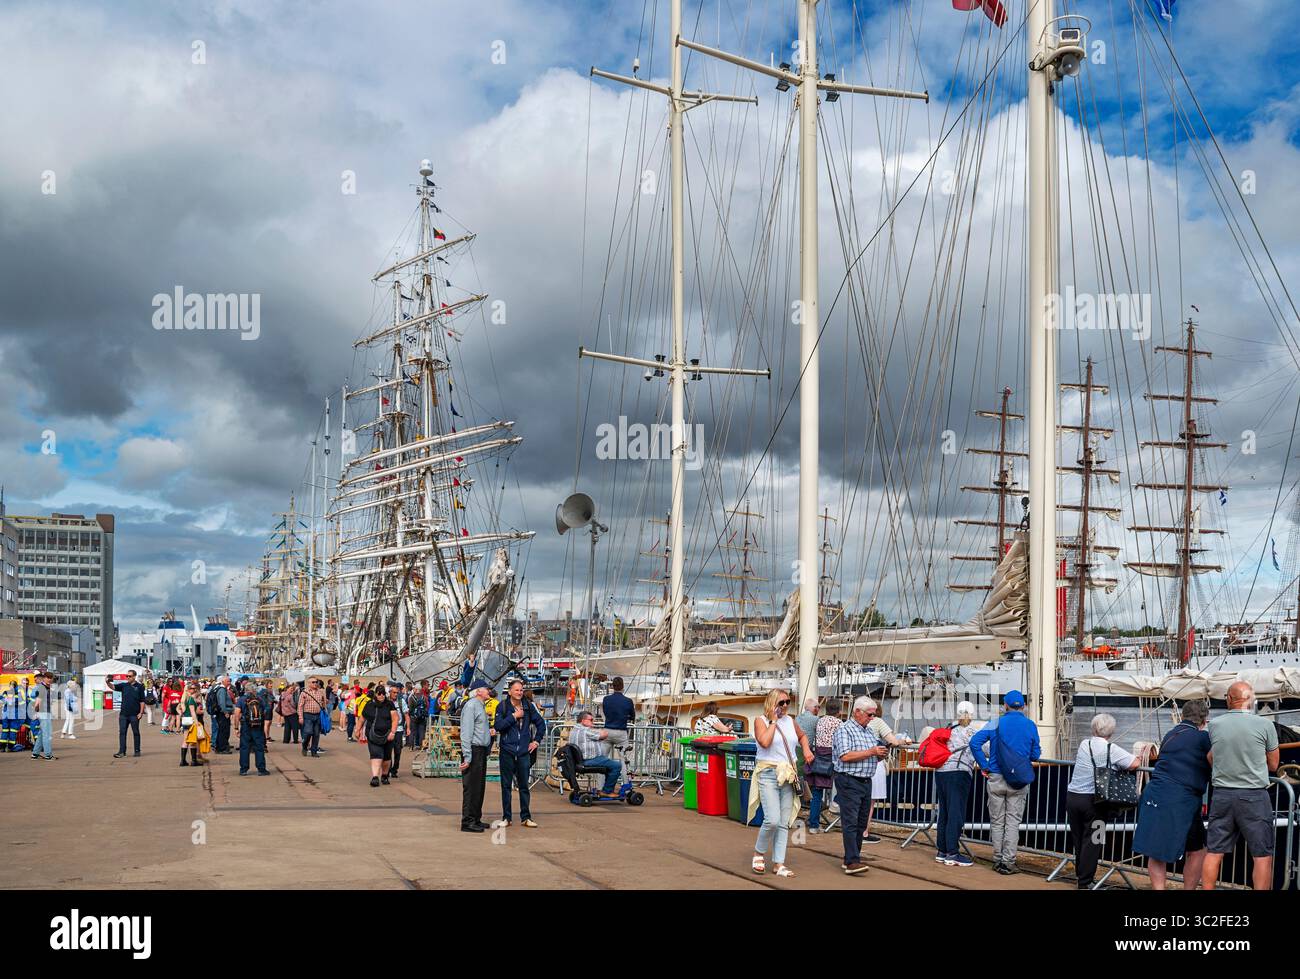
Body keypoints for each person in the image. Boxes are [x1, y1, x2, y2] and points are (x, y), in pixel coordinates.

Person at [1202, 681, 1280, 890]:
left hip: (1222, 795)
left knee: (1214, 851)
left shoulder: (1215, 725)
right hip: (1254, 795)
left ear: (1229, 698)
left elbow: (1212, 757)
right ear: (1250, 699)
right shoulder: (1265, 725)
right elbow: (1273, 765)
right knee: (1262, 855)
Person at [1133, 700, 1212, 890]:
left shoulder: (1171, 734)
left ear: (1183, 716)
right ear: (1204, 720)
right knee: (1197, 850)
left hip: (1155, 793)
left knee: (1156, 852)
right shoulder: (1203, 738)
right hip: (1181, 800)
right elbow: (1214, 760)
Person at [968, 689, 1041, 875]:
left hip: (996, 777)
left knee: (997, 821)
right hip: (1019, 781)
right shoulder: (1030, 725)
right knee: (1013, 822)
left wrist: (984, 765)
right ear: (1023, 706)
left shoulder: (996, 723)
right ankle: (1009, 861)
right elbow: (1035, 754)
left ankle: (998, 859)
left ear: (1005, 706)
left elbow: (974, 743)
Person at [1065, 712, 1141, 889]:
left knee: (1078, 839)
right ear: (1111, 732)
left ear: (1093, 728)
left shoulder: (1085, 744)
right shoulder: (1111, 749)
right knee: (1094, 840)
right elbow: (1134, 763)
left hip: (1073, 797)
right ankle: (1085, 882)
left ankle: (1081, 875)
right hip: (1095, 802)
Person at [749, 688, 813, 878]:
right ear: (772, 703)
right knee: (772, 820)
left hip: (789, 774)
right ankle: (758, 853)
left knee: (784, 822)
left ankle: (779, 863)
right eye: (781, 702)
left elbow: (802, 736)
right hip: (769, 773)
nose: (785, 706)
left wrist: (807, 750)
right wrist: (774, 721)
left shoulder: (791, 721)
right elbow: (765, 742)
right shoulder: (760, 721)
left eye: (788, 702)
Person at [832, 695, 890, 875]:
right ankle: (852, 860)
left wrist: (879, 755)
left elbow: (868, 753)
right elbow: (845, 756)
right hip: (849, 780)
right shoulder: (844, 730)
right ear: (857, 712)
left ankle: (852, 856)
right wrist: (872, 751)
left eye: (873, 715)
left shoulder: (869, 731)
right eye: (870, 715)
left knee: (861, 821)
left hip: (865, 780)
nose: (873, 718)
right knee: (850, 821)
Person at [494, 678, 546, 827]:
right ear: (510, 691)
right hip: (507, 751)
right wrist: (513, 717)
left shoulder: (528, 706)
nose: (519, 692)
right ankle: (507, 818)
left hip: (523, 752)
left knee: (524, 785)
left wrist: (536, 741)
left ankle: (526, 817)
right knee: (506, 785)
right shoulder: (502, 706)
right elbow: (498, 726)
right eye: (516, 690)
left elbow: (540, 724)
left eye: (521, 690)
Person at [934, 701, 979, 867]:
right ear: (972, 714)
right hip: (959, 773)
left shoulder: (948, 728)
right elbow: (984, 749)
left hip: (941, 772)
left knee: (944, 812)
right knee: (956, 813)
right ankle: (952, 853)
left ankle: (942, 850)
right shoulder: (971, 732)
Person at [459, 680, 492, 831]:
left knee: (479, 786)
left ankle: (476, 817)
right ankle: (467, 821)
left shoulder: (481, 705)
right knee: (471, 787)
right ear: (478, 691)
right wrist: (467, 756)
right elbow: (466, 732)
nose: (488, 690)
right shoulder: (471, 705)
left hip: (481, 749)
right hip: (473, 750)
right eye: (486, 688)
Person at [808, 699, 843, 832]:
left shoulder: (820, 720)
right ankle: (836, 803)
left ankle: (813, 824)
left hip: (818, 757)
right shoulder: (839, 723)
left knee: (817, 792)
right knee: (842, 783)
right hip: (831, 758)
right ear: (839, 711)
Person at [569, 710, 623, 794]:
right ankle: (607, 791)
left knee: (608, 764)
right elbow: (605, 734)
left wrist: (596, 731)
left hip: (579, 761)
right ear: (583, 721)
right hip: (589, 760)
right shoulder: (586, 731)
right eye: (590, 720)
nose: (593, 722)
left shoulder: (574, 730)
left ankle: (605, 787)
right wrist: (599, 731)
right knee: (616, 765)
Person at [360, 684, 398, 787]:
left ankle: (384, 775)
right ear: (375, 694)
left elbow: (395, 719)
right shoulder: (369, 704)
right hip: (372, 735)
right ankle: (375, 777)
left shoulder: (389, 704)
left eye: (383, 694)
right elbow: (362, 718)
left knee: (386, 757)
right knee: (376, 755)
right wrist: (357, 729)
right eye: (379, 694)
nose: (381, 696)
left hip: (387, 735)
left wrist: (393, 732)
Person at [601, 676, 635, 778]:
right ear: (623, 686)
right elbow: (632, 716)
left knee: (601, 759)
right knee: (624, 760)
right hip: (621, 732)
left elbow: (606, 713)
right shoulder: (628, 701)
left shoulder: (606, 699)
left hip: (607, 731)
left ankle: (600, 787)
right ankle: (626, 786)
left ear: (612, 686)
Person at [234, 681, 270, 776]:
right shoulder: (260, 699)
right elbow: (266, 711)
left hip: (245, 726)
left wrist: (236, 728)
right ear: (254, 690)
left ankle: (243, 769)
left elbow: (237, 714)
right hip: (258, 726)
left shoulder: (241, 700)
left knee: (244, 747)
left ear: (245, 690)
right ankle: (261, 769)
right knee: (259, 747)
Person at [108, 670, 147, 758]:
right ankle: (122, 752)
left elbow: (142, 701)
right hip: (124, 714)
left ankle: (137, 750)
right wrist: (107, 682)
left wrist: (141, 712)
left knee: (136, 732)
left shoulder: (140, 687)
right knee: (122, 732)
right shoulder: (124, 685)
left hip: (135, 714)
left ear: (134, 676)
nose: (128, 678)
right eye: (127, 676)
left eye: (130, 676)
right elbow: (113, 687)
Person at [180, 680, 209, 766]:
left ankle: (183, 761)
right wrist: (196, 722)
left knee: (185, 740)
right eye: (192, 688)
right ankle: (193, 761)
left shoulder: (183, 699)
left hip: (185, 720)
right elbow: (193, 712)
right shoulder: (191, 699)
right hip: (191, 721)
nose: (194, 690)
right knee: (193, 741)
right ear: (188, 690)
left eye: (194, 688)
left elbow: (179, 709)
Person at [28, 672, 56, 760]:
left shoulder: (47, 687)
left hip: (45, 712)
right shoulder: (42, 687)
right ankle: (48, 755)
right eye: (48, 677)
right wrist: (36, 712)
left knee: (41, 734)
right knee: (47, 734)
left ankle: (35, 754)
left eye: (51, 678)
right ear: (44, 678)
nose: (50, 679)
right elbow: (38, 700)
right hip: (43, 713)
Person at [298, 678, 328, 758]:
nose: (315, 683)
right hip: (307, 715)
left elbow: (323, 703)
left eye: (316, 682)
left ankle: (314, 751)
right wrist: (300, 717)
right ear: (309, 683)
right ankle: (305, 746)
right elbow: (300, 706)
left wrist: (325, 711)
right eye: (313, 682)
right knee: (308, 732)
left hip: (318, 715)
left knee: (316, 734)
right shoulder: (304, 693)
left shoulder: (320, 692)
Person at [386, 682, 407, 776]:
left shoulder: (401, 701)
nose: (395, 694)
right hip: (388, 730)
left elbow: (406, 715)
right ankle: (388, 769)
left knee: (398, 751)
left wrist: (409, 728)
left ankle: (395, 769)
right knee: (388, 751)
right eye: (394, 692)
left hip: (399, 729)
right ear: (390, 692)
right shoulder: (386, 702)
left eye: (397, 693)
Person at [211, 675, 235, 754]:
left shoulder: (223, 689)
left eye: (229, 681)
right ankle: (222, 748)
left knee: (222, 730)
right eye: (228, 681)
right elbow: (222, 703)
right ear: (223, 681)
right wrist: (225, 712)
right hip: (223, 713)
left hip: (223, 712)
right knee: (223, 730)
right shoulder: (222, 690)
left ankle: (220, 746)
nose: (229, 683)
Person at [406, 684, 429, 750]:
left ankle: (411, 746)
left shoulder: (411, 697)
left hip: (414, 717)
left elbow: (410, 708)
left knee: (412, 731)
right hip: (422, 717)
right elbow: (426, 706)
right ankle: (422, 746)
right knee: (422, 731)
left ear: (415, 689)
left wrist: (410, 714)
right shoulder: (424, 697)